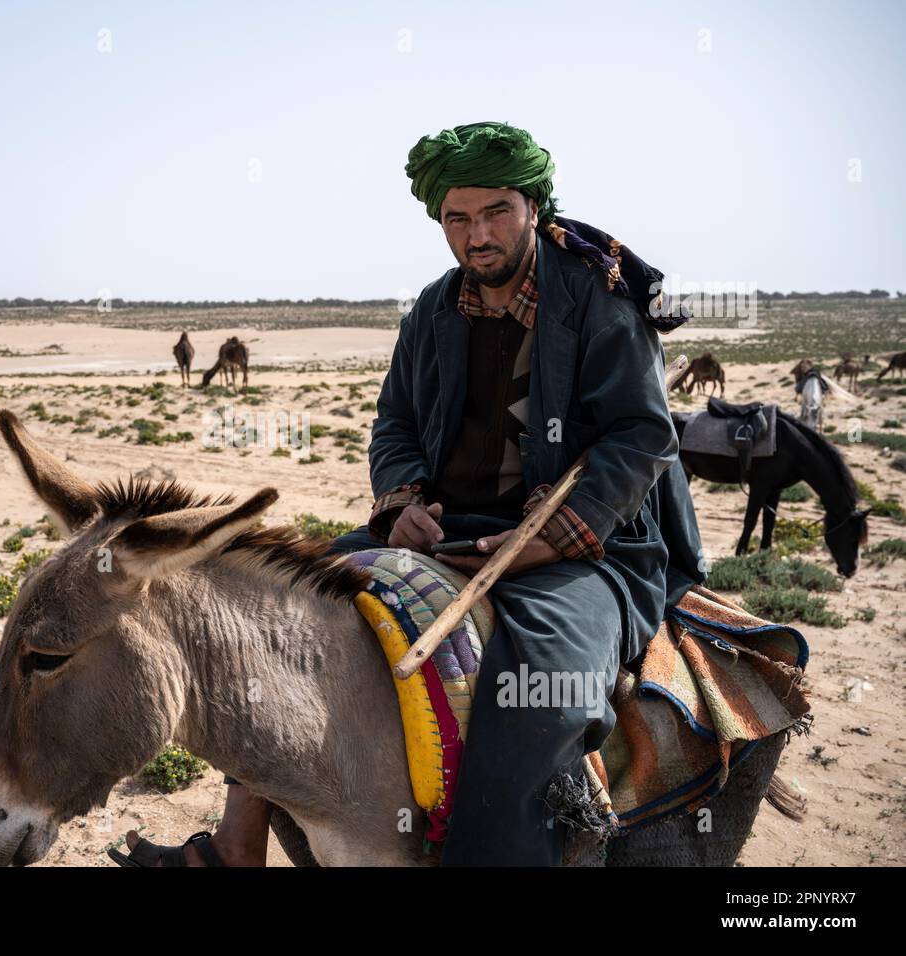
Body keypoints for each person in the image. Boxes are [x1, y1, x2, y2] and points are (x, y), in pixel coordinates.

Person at [117, 121, 703, 867]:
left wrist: (556, 537)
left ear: (532, 207)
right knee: (276, 614)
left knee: (543, 691)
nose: (476, 235)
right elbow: (393, 422)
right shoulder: (432, 308)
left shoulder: (597, 300)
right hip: (444, 529)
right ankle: (235, 846)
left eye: (495, 213)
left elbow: (643, 434)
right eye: (457, 219)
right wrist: (401, 506)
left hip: (579, 549)